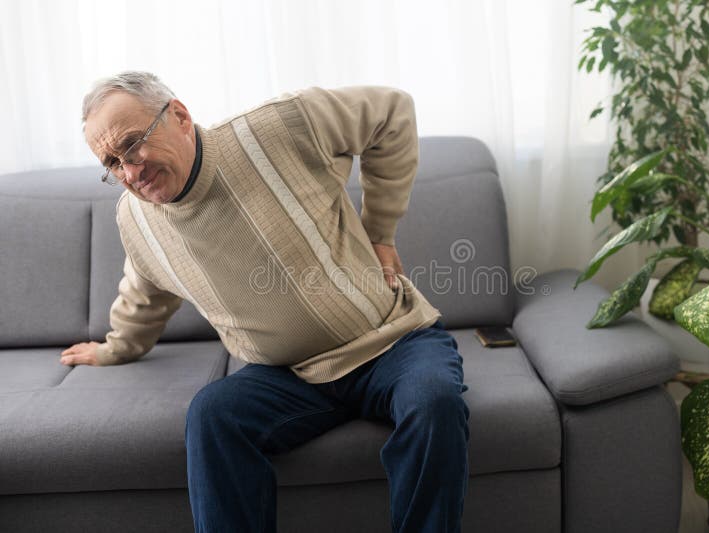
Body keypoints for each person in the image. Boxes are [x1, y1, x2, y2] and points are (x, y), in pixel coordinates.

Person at [61, 71, 470, 533]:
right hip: (289, 378)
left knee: (433, 401)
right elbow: (143, 293)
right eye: (113, 163)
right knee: (213, 415)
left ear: (179, 115)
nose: (131, 171)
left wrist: (380, 229)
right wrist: (115, 348)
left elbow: (392, 111)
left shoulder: (280, 126)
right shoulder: (137, 222)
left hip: (393, 343)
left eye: (134, 144)